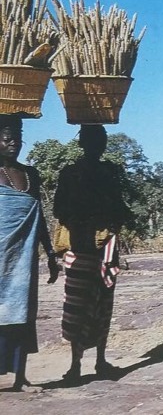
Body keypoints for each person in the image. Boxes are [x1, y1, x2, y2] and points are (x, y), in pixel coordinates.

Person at [53, 124, 130, 384]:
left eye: (102, 138)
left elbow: (119, 207)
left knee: (103, 303)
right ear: (82, 143)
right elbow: (59, 209)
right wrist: (86, 217)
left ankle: (100, 360)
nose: (99, 144)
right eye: (94, 138)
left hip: (105, 245)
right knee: (77, 306)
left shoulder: (109, 172)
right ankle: (75, 364)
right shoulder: (70, 173)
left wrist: (113, 217)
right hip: (79, 246)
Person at [0, 115, 59, 391]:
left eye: (18, 137)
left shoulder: (30, 174)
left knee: (23, 312)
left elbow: (38, 217)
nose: (14, 143)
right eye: (7, 138)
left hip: (24, 257)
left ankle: (20, 377)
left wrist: (50, 253)